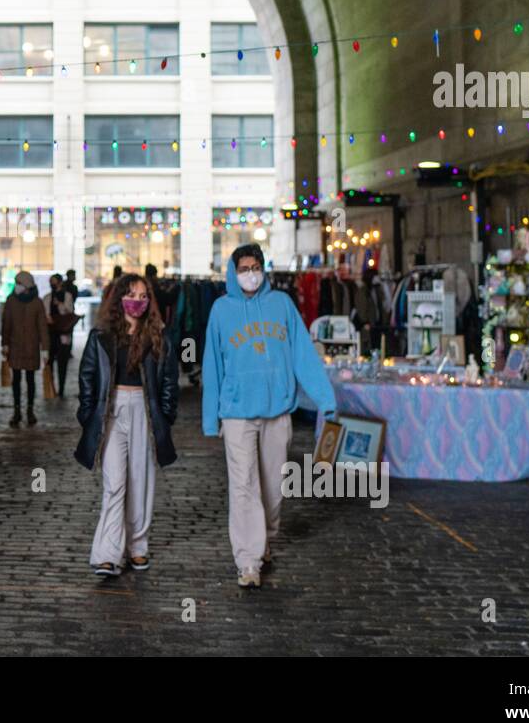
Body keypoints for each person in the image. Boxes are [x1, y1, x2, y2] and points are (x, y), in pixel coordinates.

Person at [203, 243, 337, 589]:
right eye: (244, 268)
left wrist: (326, 399)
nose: (251, 273)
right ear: (233, 272)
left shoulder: (282, 305)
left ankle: (264, 543)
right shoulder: (221, 310)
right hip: (236, 414)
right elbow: (212, 366)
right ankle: (248, 560)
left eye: (255, 266)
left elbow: (303, 356)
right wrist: (210, 417)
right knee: (243, 486)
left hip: (277, 411)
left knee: (274, 487)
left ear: (263, 269)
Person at [75, 272, 178, 577]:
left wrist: (166, 417)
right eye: (131, 295)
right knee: (115, 484)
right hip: (111, 412)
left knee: (141, 482)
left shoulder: (159, 335)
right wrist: (87, 415)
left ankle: (137, 546)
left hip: (145, 411)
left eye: (143, 296)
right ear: (119, 298)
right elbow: (87, 378)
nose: (137, 301)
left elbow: (170, 381)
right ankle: (107, 553)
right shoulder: (101, 336)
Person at [0, 270, 46, 426]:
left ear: (27, 284)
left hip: (32, 347)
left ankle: (30, 410)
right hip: (15, 346)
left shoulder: (37, 302)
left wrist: (45, 348)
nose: (16, 286)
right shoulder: (11, 301)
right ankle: (17, 410)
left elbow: (42, 327)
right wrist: (5, 343)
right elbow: (6, 324)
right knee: (16, 380)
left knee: (31, 379)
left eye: (18, 283)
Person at [43, 273, 76, 397]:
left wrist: (60, 304)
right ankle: (51, 387)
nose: (52, 284)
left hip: (63, 333)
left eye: (54, 281)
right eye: (51, 281)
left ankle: (61, 388)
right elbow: (44, 313)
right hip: (51, 333)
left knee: (62, 362)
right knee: (50, 362)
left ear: (60, 282)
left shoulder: (67, 296)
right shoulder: (47, 297)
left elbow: (70, 311)